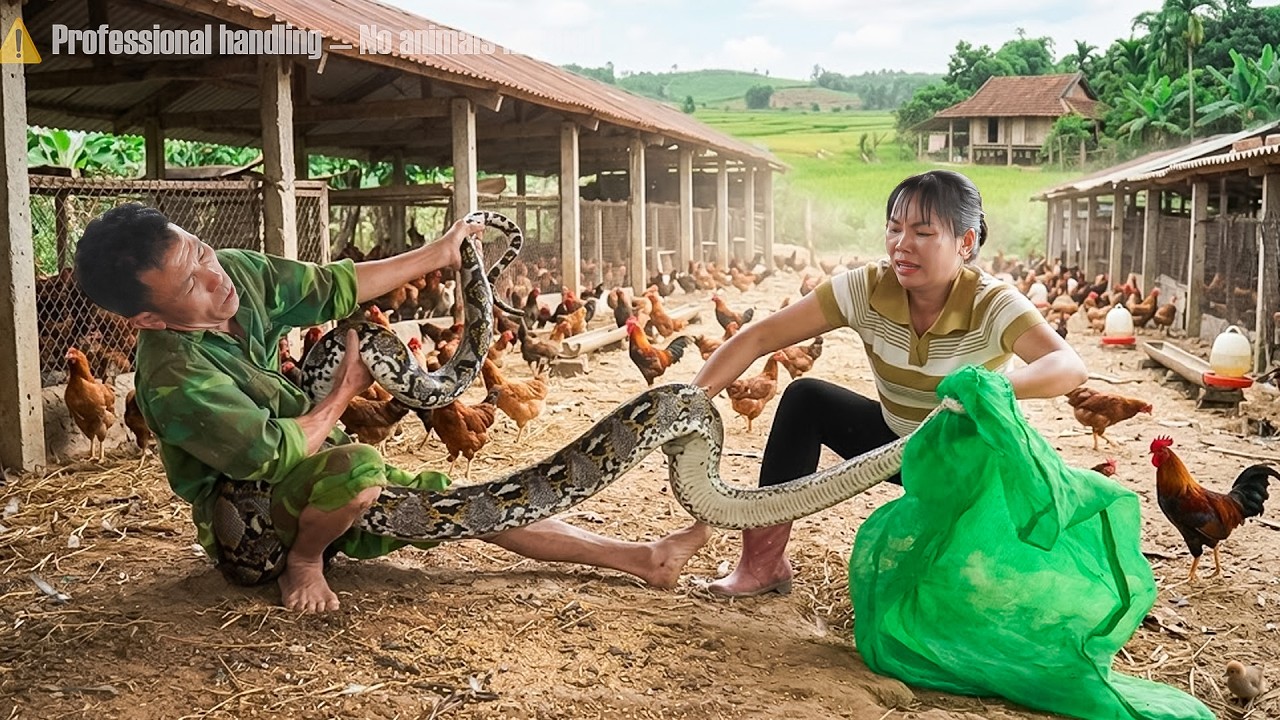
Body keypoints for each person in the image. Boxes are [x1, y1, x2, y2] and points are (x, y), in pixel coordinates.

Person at [73, 203, 709, 613]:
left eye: (205, 255)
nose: (217, 278)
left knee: (459, 500)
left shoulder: (235, 278)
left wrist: (442, 251)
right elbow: (266, 453)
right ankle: (301, 563)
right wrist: (345, 392)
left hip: (309, 462)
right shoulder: (172, 377)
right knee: (360, 469)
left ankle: (642, 558)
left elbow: (332, 286)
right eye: (192, 283)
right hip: (248, 515)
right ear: (149, 316)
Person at [691, 170, 1088, 597]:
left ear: (966, 242)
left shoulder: (992, 302)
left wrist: (990, 386)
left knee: (953, 596)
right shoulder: (868, 287)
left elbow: (1068, 365)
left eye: (922, 232)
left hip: (964, 462)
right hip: (895, 445)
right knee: (806, 398)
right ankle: (762, 564)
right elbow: (758, 337)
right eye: (894, 229)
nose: (902, 244)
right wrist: (688, 402)